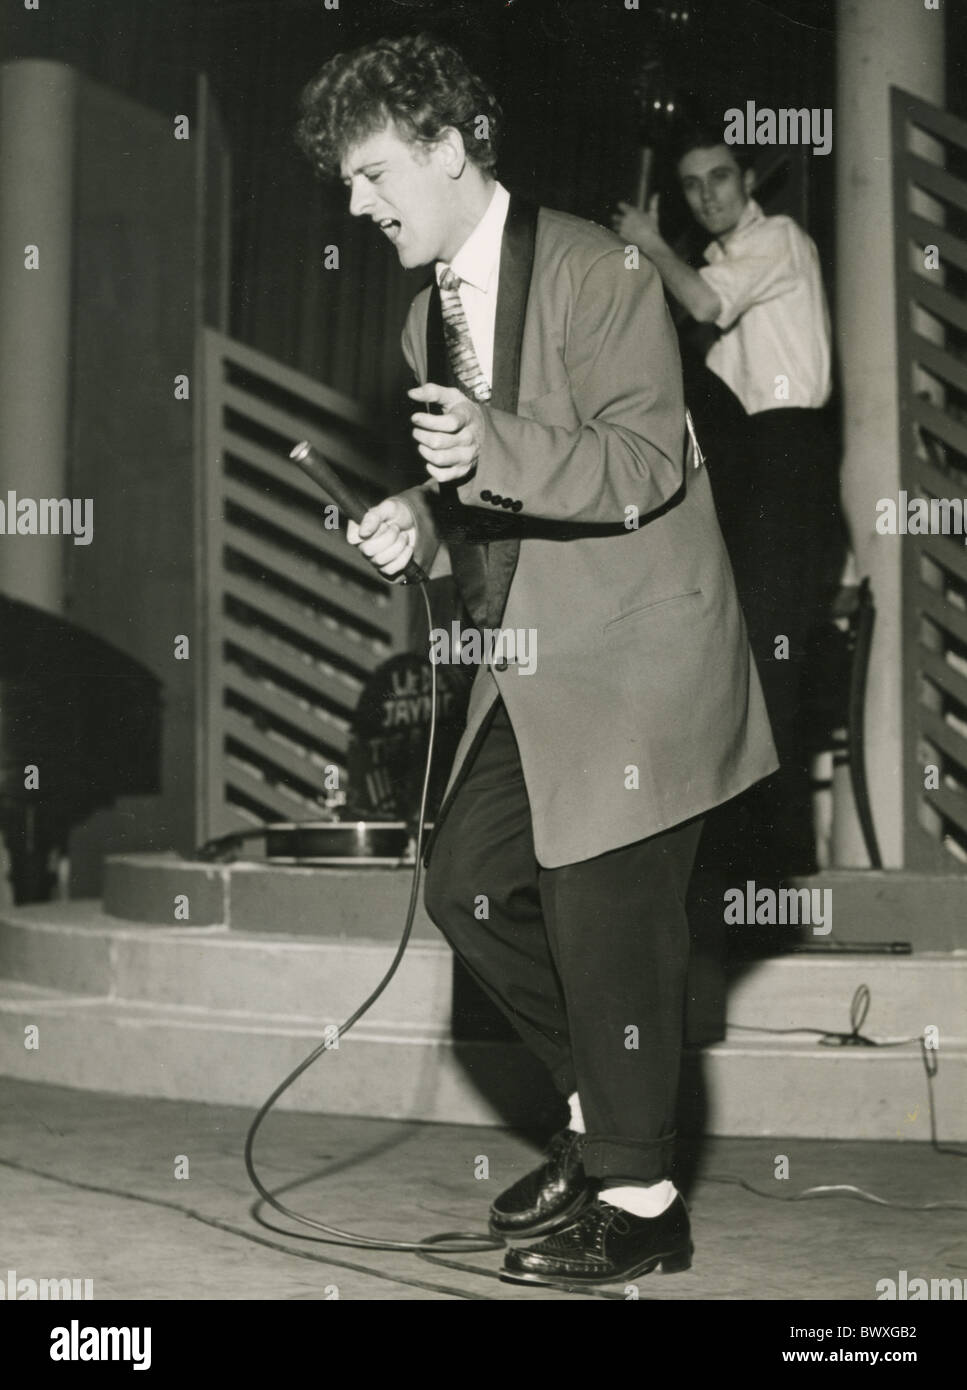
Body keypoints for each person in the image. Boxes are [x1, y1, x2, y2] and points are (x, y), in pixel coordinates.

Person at [296, 35, 776, 1289]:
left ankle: (642, 1197)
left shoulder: (598, 265)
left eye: (376, 173)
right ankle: (599, 1116)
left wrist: (483, 454)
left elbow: (642, 464)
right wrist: (414, 510)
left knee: (602, 914)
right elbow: (484, 479)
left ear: (452, 149)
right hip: (532, 658)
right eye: (347, 184)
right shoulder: (422, 317)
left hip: (637, 649)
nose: (358, 203)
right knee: (465, 883)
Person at [613, 127, 837, 878]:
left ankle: (775, 867)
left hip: (789, 454)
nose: (707, 195)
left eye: (719, 177)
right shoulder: (709, 261)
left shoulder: (777, 237)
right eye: (692, 184)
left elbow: (706, 304)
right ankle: (739, 858)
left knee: (771, 654)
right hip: (746, 465)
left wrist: (645, 240)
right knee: (736, 656)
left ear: (747, 182)